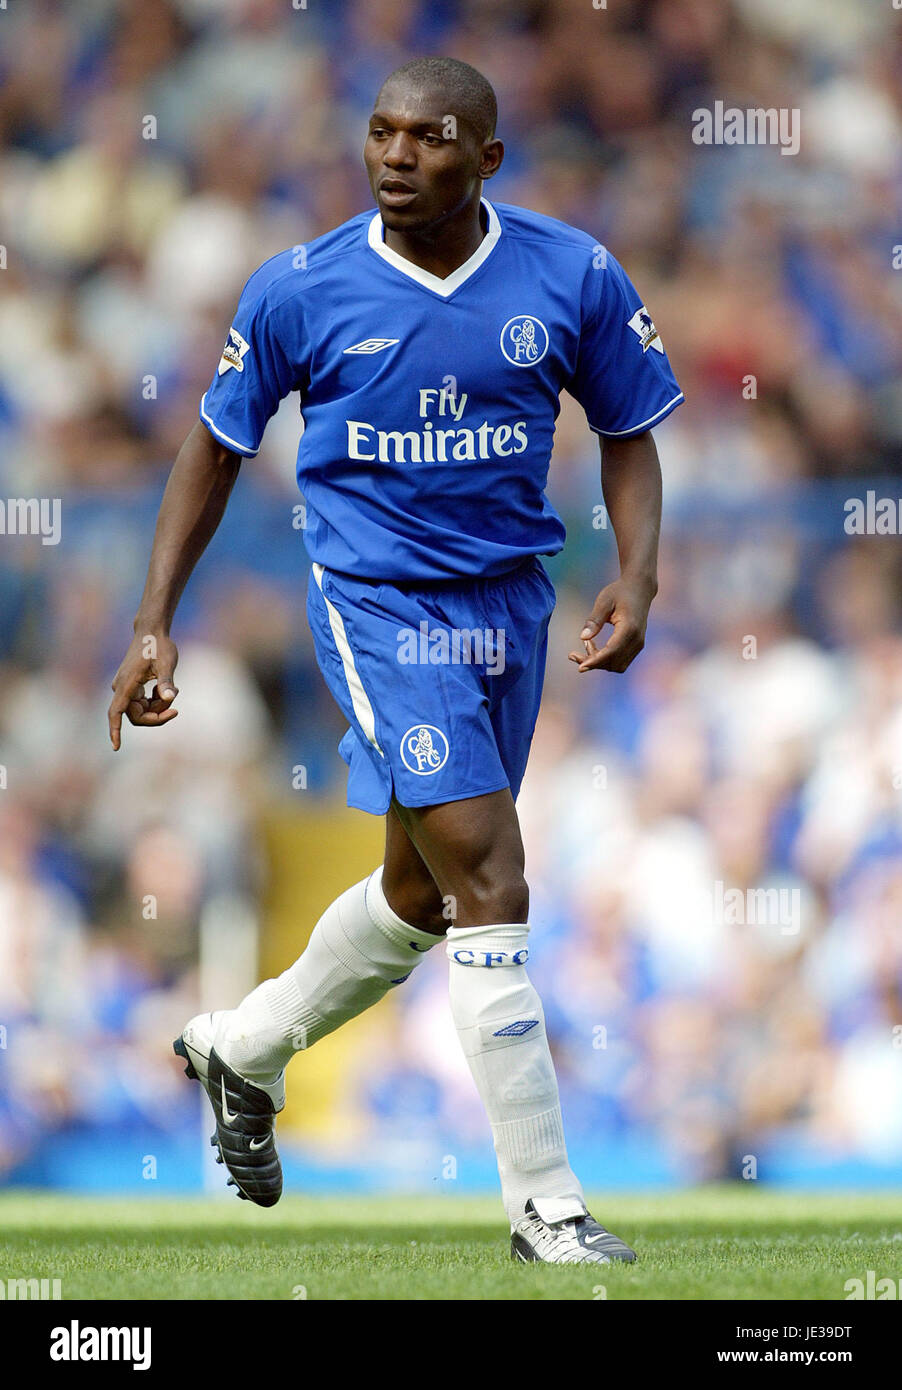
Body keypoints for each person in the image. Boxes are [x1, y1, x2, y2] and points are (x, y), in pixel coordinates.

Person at [108, 57, 682, 1265]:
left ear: (486, 157)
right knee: (489, 874)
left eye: (428, 137)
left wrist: (632, 577)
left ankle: (241, 1049)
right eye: (379, 132)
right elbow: (211, 452)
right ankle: (546, 1204)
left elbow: (627, 431)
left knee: (422, 896)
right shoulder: (299, 288)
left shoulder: (569, 272)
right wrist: (155, 617)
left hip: (509, 607)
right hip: (376, 606)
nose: (395, 156)